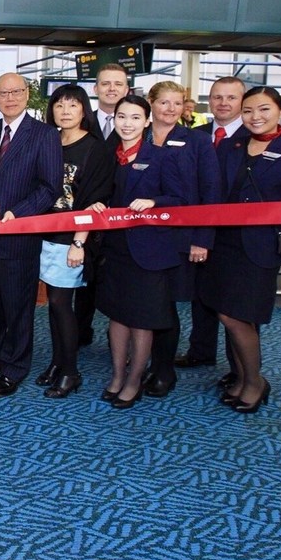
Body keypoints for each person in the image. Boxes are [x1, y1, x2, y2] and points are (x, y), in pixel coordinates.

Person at [204, 87, 281, 413]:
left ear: (280, 111)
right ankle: (241, 376)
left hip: (260, 246)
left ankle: (254, 382)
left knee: (240, 315)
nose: (256, 116)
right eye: (249, 110)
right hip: (225, 243)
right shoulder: (230, 146)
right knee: (227, 312)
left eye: (264, 109)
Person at [86, 95, 193, 410]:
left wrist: (155, 202)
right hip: (114, 249)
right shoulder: (108, 154)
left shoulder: (161, 157)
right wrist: (97, 203)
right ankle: (118, 375)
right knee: (117, 316)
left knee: (141, 319)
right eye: (121, 117)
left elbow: (182, 199)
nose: (127, 124)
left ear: (147, 121)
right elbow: (101, 193)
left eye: (135, 118)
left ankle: (134, 380)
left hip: (149, 251)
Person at [0, 72, 61, 397]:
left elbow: (50, 188)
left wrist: (17, 213)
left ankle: (15, 367)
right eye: (2, 93)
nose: (10, 98)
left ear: (27, 94)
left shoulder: (45, 135)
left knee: (17, 307)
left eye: (16, 91)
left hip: (19, 237)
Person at [141, 80, 222, 398]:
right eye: (164, 102)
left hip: (179, 238)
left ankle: (164, 370)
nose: (171, 109)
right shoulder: (135, 135)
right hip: (140, 237)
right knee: (145, 302)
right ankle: (146, 361)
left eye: (178, 103)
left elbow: (210, 191)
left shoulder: (198, 141)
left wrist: (203, 238)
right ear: (151, 103)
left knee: (167, 304)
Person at [35, 84, 113, 399]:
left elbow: (94, 200)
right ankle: (57, 362)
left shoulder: (96, 148)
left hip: (71, 240)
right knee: (54, 307)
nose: (66, 111)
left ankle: (70, 371)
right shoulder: (48, 141)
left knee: (60, 304)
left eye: (73, 105)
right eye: (60, 105)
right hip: (43, 233)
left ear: (84, 110)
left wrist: (78, 243)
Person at [181, 75, 247, 370]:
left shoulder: (253, 137)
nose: (223, 103)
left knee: (235, 305)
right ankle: (201, 351)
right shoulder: (196, 135)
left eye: (231, 97)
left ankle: (239, 371)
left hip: (238, 235)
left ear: (242, 102)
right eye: (217, 97)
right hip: (199, 228)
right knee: (201, 295)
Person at [76, 61, 132, 344]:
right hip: (85, 217)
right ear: (95, 88)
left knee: (121, 284)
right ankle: (81, 332)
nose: (112, 89)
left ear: (127, 88)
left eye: (118, 84)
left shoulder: (138, 125)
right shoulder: (79, 122)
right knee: (83, 282)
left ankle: (120, 339)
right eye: (106, 84)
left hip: (123, 219)